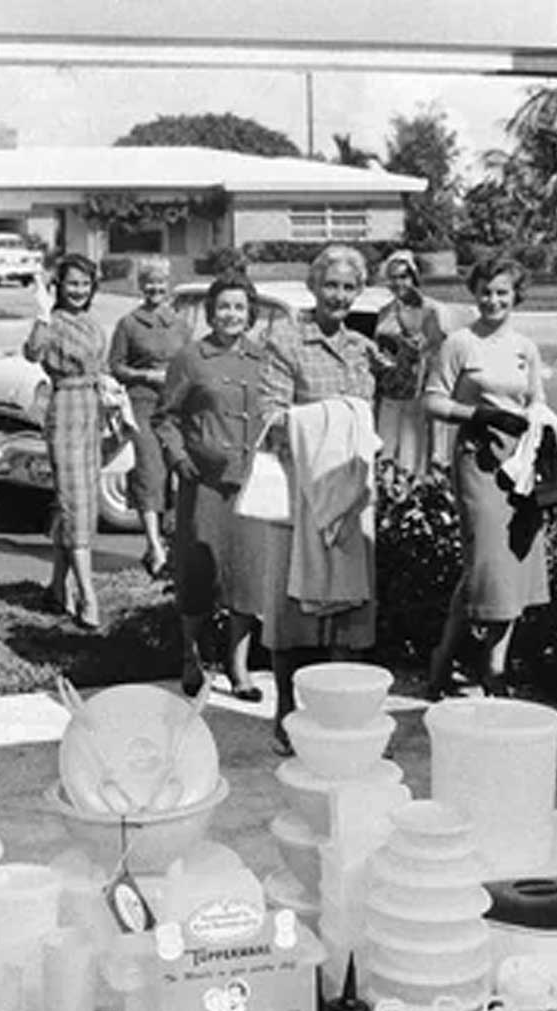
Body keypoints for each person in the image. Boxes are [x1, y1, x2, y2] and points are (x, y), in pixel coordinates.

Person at [259, 245, 388, 754]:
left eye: (349, 287)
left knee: (350, 610)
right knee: (293, 608)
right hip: (302, 491)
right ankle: (286, 713)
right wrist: (334, 420)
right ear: (313, 287)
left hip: (353, 491)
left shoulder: (362, 347)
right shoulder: (286, 341)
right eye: (331, 285)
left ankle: (342, 715)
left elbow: (401, 390)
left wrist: (412, 335)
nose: (339, 296)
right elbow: (271, 417)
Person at [423, 254, 549, 698]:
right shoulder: (460, 343)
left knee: (510, 563)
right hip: (478, 460)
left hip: (519, 464)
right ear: (474, 293)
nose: (493, 300)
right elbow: (432, 401)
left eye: (502, 292)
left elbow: (537, 401)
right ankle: (456, 661)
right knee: (486, 564)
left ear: (516, 296)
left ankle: (484, 665)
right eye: (486, 292)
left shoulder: (524, 347)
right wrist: (480, 414)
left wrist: (536, 427)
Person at [155, 271, 266, 700]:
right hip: (202, 483)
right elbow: (165, 417)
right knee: (197, 573)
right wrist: (179, 457)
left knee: (246, 577)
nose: (231, 315)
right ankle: (192, 657)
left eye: (239, 307)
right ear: (210, 312)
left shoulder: (263, 359)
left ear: (250, 313)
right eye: (223, 307)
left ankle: (239, 667)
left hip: (251, 487)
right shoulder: (191, 358)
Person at [23, 253, 108, 630]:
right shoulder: (53, 322)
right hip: (66, 409)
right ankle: (88, 596)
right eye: (72, 283)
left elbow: (100, 364)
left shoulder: (90, 321)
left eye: (85, 284)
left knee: (80, 501)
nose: (79, 290)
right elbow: (32, 353)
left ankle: (58, 586)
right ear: (59, 286)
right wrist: (41, 312)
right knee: (76, 503)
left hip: (92, 410)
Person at [107, 256, 190, 578]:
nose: (155, 288)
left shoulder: (180, 324)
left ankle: (173, 542)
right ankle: (154, 546)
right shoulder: (128, 324)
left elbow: (191, 362)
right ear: (140, 286)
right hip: (143, 403)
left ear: (169, 286)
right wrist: (145, 376)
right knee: (150, 472)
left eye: (160, 283)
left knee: (179, 472)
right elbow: (115, 366)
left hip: (177, 405)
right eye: (149, 282)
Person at [373, 248, 450, 472]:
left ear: (414, 277)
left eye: (403, 276)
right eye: (393, 277)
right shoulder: (384, 311)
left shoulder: (429, 309)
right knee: (385, 458)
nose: (398, 282)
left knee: (410, 462)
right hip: (388, 392)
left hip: (416, 395)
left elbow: (436, 351)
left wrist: (413, 341)